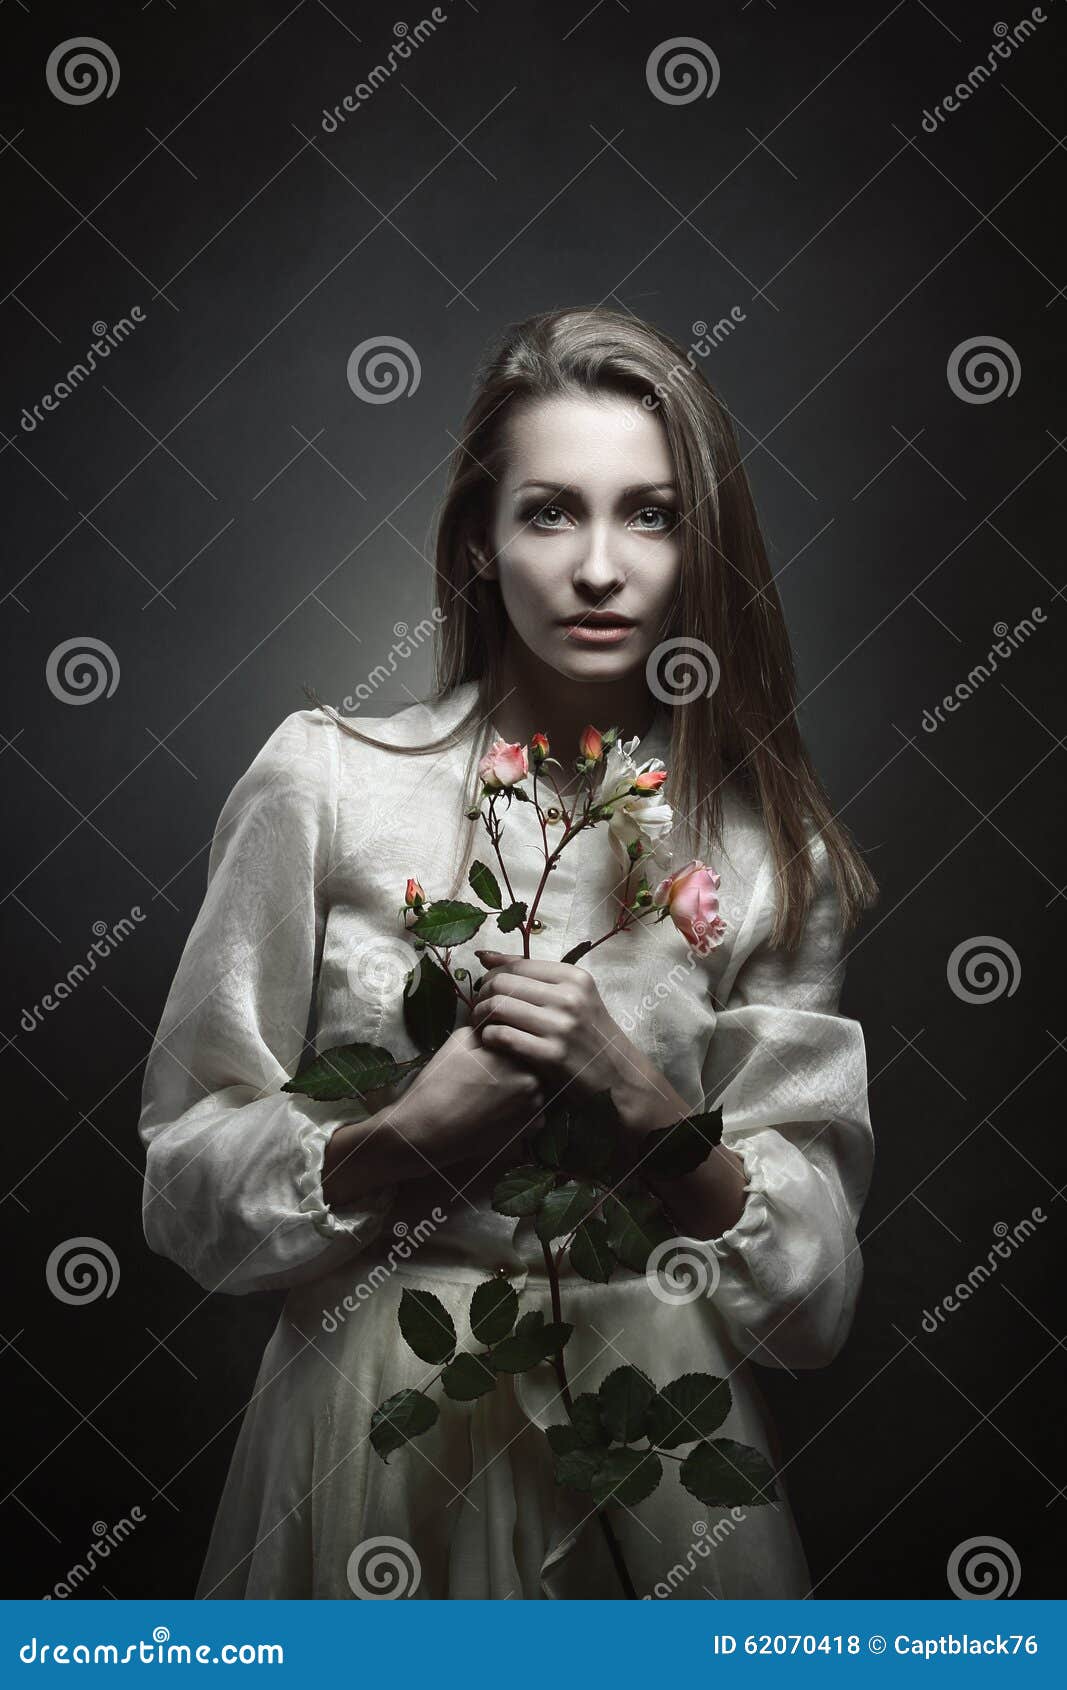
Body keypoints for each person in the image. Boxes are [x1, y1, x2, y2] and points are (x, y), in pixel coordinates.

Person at [137, 306, 878, 1600]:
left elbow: (812, 1303)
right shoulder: (325, 784)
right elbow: (184, 1186)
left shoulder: (765, 858)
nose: (600, 566)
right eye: (550, 512)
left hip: (652, 1457)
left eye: (649, 514)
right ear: (481, 540)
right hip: (370, 1435)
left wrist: (654, 1120)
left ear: (700, 547)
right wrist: (396, 1142)